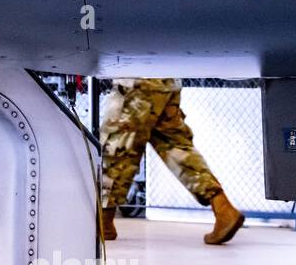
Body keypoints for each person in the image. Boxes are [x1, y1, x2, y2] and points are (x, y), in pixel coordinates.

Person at [99, 78, 244, 245]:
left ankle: (104, 222)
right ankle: (223, 208)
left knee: (118, 146)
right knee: (175, 146)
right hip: (165, 77)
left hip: (138, 75)